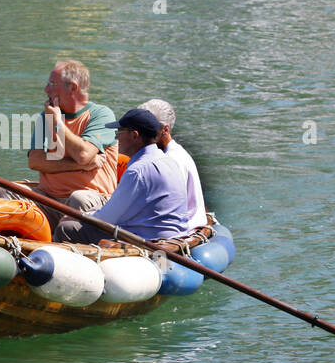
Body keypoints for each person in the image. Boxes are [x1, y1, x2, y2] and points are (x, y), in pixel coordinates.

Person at [56, 109, 191, 244]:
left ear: (134, 135)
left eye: (118, 132)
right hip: (177, 236)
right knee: (87, 212)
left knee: (66, 228)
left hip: (150, 241)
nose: (116, 138)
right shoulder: (170, 161)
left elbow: (106, 219)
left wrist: (78, 217)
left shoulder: (137, 171)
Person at [13, 59, 118, 221]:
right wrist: (78, 165)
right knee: (5, 190)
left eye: (52, 84)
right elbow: (35, 162)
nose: (46, 89)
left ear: (73, 88)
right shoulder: (46, 116)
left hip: (90, 201)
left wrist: (58, 123)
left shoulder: (101, 115)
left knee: (78, 198)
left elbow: (83, 154)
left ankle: (67, 238)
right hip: (48, 199)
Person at [139, 98, 208, 229]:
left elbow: (169, 206)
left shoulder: (172, 160)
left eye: (148, 128)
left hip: (180, 227)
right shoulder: (163, 154)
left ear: (165, 130)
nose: (142, 133)